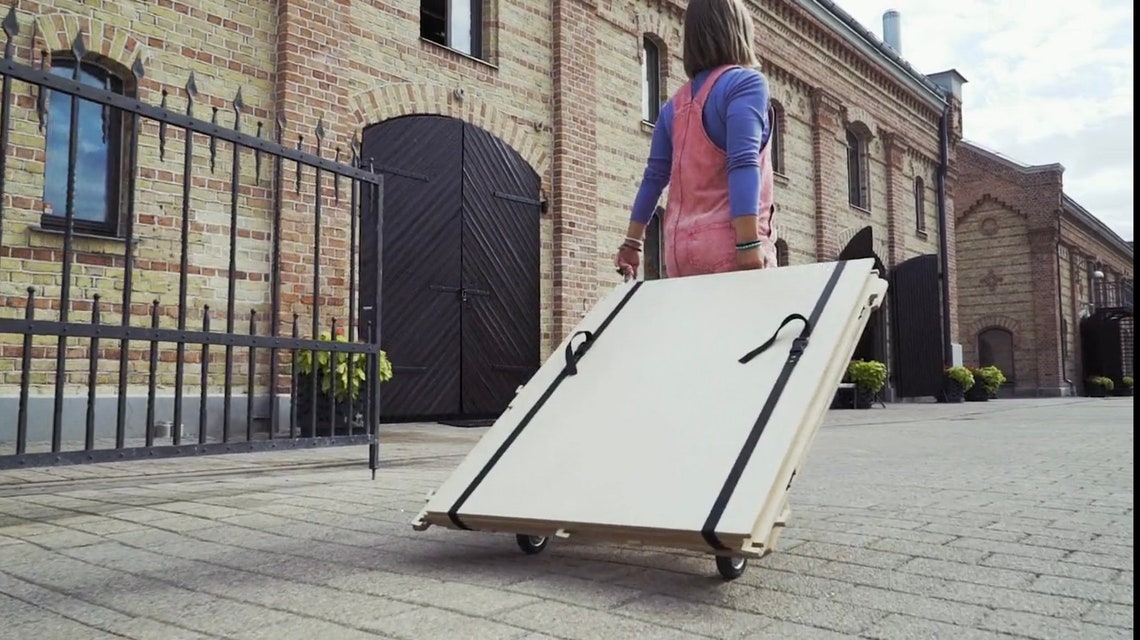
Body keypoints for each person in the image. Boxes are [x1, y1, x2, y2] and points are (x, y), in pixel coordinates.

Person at [614, 0, 778, 280]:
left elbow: (653, 179)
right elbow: (742, 161)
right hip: (732, 247)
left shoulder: (672, 107)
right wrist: (748, 243)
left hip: (680, 253)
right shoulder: (746, 85)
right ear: (737, 29)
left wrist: (632, 244)